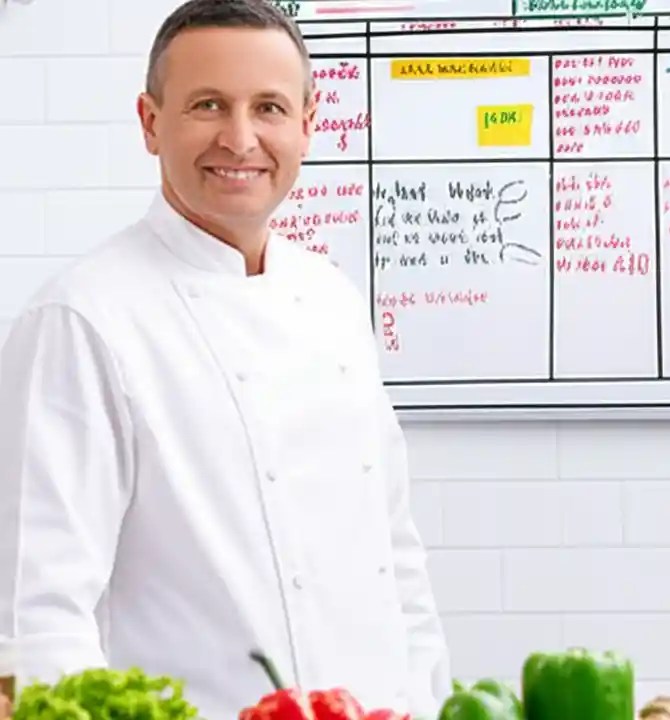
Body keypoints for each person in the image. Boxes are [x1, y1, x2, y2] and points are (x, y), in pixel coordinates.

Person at [0, 1, 451, 717]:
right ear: (151, 123)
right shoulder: (81, 319)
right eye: (208, 105)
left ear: (308, 122)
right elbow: (39, 613)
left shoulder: (332, 298)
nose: (240, 139)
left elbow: (396, 560)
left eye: (268, 107)